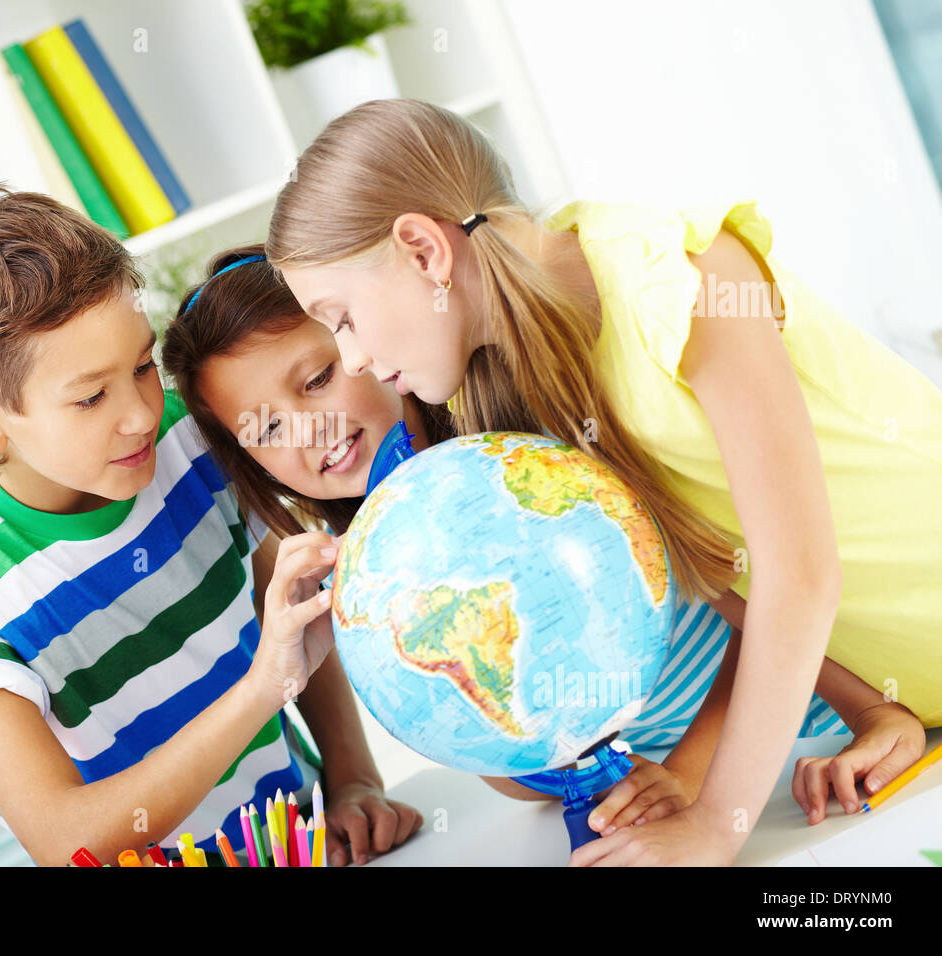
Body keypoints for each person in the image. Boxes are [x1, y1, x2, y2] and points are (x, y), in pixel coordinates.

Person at [263, 98, 938, 864]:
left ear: (423, 251)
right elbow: (719, 572)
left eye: (342, 316)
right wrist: (871, 709)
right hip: (916, 686)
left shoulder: (684, 276)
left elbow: (800, 572)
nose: (351, 360)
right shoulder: (506, 387)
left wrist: (719, 821)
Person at [162, 243, 910, 847]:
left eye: (318, 378)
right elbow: (508, 770)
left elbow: (733, 580)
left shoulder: (528, 453)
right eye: (265, 430)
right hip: (702, 794)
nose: (308, 429)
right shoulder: (376, 572)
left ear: (364, 343)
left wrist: (701, 774)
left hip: (792, 738)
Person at [0, 184, 419, 866]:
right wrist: (263, 687)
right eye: (90, 397)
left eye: (142, 365)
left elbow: (297, 624)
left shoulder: (187, 441)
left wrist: (352, 781)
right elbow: (62, 837)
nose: (141, 412)